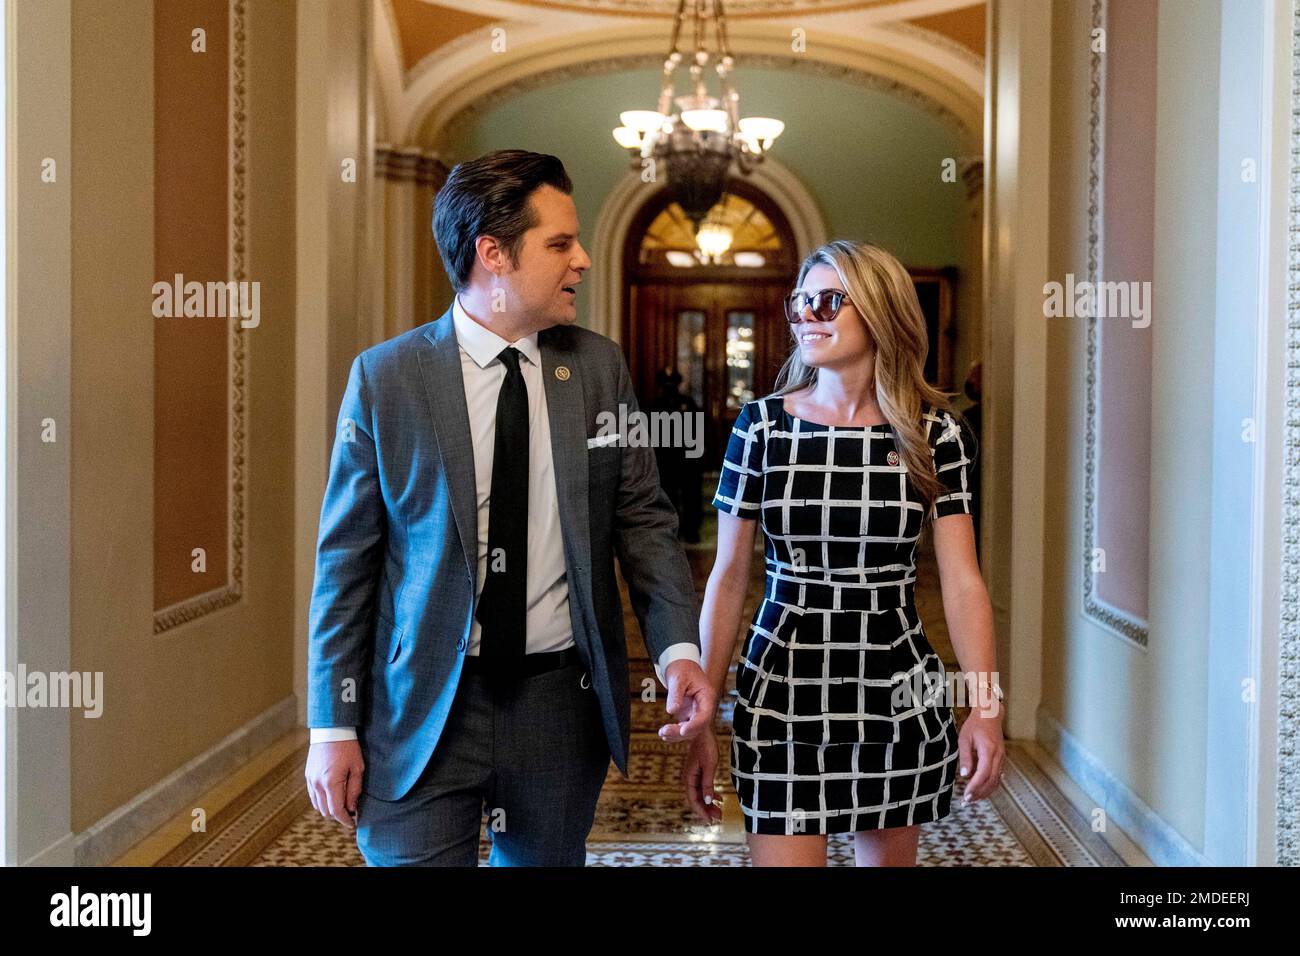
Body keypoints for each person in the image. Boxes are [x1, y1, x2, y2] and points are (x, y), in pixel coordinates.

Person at [304, 149, 715, 866]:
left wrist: (679, 651)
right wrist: (330, 726)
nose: (582, 260)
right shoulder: (387, 379)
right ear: (492, 254)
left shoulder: (596, 369)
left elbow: (643, 521)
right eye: (560, 244)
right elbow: (346, 564)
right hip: (421, 710)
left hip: (559, 709)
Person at [683, 239, 1005, 866]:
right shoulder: (762, 428)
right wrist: (704, 719)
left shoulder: (935, 434)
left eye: (827, 301)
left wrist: (985, 708)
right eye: (798, 302)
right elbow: (726, 579)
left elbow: (964, 582)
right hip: (781, 683)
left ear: (881, 311)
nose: (806, 315)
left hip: (899, 686)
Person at [651, 368, 703, 543]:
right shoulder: (655, 406)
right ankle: (672, 531)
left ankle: (691, 530)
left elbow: (699, 430)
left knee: (691, 497)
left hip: (687, 459)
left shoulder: (687, 404)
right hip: (666, 459)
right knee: (669, 496)